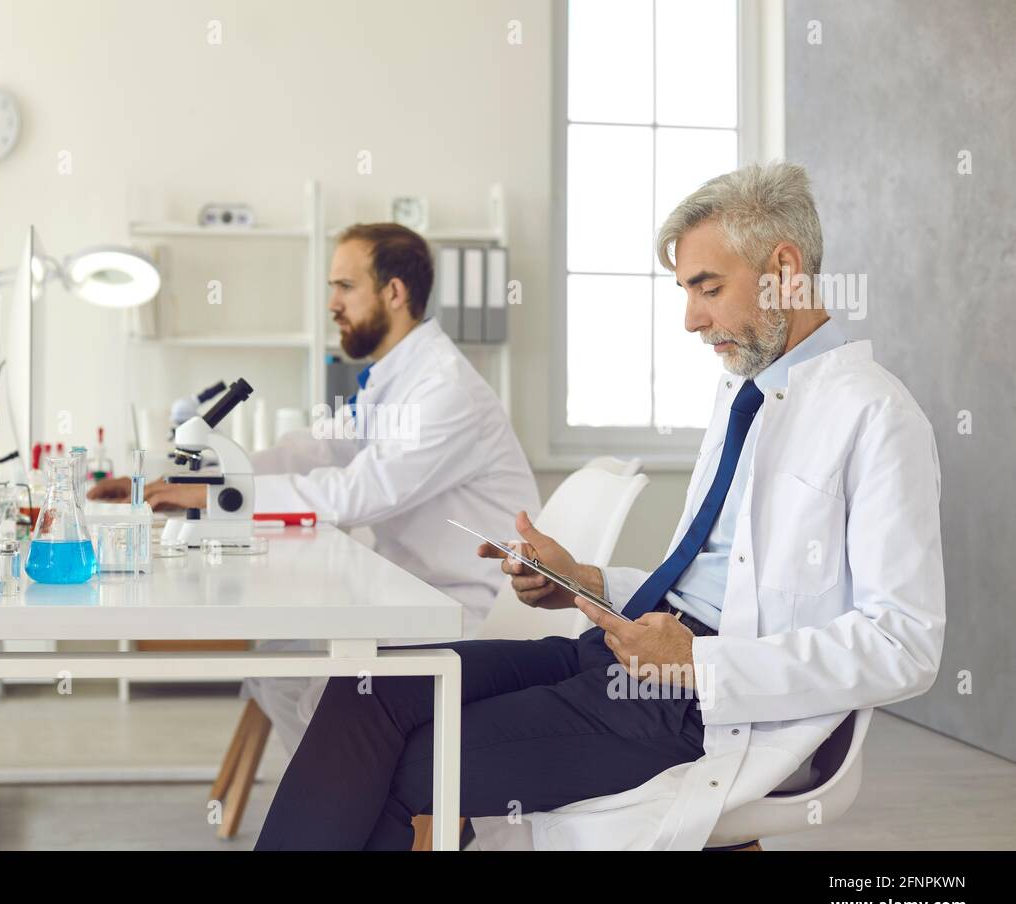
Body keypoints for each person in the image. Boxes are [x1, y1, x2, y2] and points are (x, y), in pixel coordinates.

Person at [254, 163, 945, 850]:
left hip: (702, 707)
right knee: (370, 689)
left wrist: (699, 665)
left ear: (785, 268)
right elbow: (717, 577)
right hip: (620, 653)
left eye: (707, 288)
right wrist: (588, 581)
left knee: (407, 764)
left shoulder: (876, 416)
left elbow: (905, 645)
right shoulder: (743, 393)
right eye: (685, 292)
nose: (690, 320)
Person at [90, 223, 540, 754]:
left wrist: (215, 497)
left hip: (460, 609)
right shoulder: (395, 377)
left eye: (345, 287)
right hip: (409, 590)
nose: (332, 303)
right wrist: (195, 480)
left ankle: (381, 814)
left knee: (310, 681)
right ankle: (351, 810)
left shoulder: (446, 389)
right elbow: (318, 450)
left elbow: (356, 492)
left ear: (394, 293)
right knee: (279, 658)